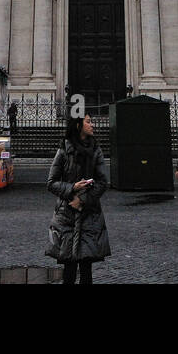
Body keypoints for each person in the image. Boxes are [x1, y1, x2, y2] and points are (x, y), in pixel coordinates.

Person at [45, 114, 111, 285]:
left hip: (89, 215)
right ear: (78, 126)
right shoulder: (64, 150)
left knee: (86, 268)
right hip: (66, 215)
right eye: (88, 122)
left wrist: (82, 200)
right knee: (69, 268)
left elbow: (103, 182)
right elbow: (51, 183)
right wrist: (72, 188)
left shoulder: (96, 150)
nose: (92, 125)